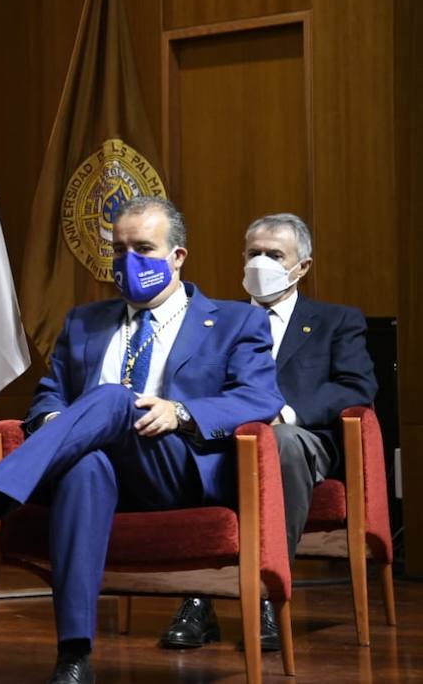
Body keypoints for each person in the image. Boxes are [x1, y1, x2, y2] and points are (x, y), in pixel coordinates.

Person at [0, 195, 284, 684]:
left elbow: (259, 398)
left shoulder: (234, 321)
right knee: (84, 467)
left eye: (143, 247)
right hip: (95, 466)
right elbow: (47, 397)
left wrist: (181, 411)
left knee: (115, 399)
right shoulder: (84, 321)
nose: (128, 261)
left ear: (177, 256)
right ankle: (74, 657)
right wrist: (55, 417)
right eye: (119, 249)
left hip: (174, 470)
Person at [159, 212, 378, 652]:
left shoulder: (337, 321)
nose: (262, 263)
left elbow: (358, 387)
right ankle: (197, 600)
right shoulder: (217, 320)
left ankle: (265, 594)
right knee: (180, 440)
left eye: (275, 255)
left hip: (300, 438)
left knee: (279, 444)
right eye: (254, 253)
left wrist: (289, 413)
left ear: (304, 266)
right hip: (226, 435)